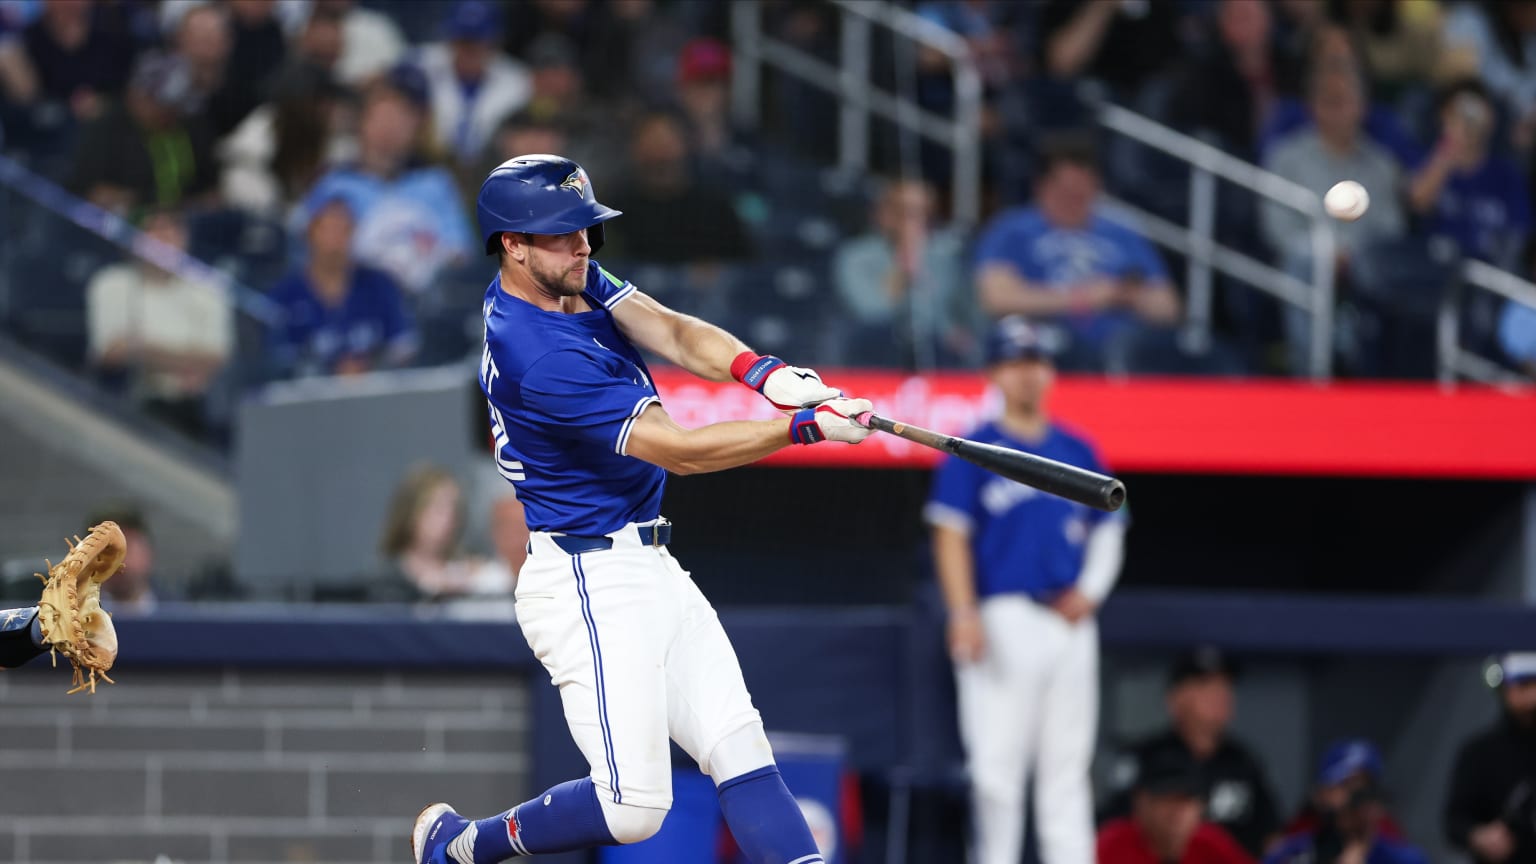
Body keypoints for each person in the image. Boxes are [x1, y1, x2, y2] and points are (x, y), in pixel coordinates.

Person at [410, 154, 871, 864]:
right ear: (512, 243)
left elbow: (674, 331)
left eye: (584, 231)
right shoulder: (535, 350)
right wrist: (801, 428)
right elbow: (677, 451)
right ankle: (464, 846)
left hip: (648, 558)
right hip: (586, 575)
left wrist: (767, 374)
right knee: (633, 811)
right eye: (563, 235)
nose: (583, 246)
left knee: (739, 747)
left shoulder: (564, 279)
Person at [924, 315, 1127, 864]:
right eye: (1014, 363)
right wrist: (962, 612)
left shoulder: (1077, 447)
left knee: (1066, 771)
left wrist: (1091, 591)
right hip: (1002, 616)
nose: (1027, 375)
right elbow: (950, 536)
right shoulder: (975, 447)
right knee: (995, 773)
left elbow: (1110, 528)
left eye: (1035, 362)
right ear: (994, 373)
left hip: (1068, 621)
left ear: (1049, 371)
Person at [974, 136, 1181, 372]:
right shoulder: (1011, 230)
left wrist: (1122, 295)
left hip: (1124, 343)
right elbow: (997, 298)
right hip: (1048, 339)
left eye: (1083, 193)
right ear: (1042, 187)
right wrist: (1082, 298)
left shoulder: (1123, 232)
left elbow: (1168, 307)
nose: (1075, 201)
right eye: (1067, 192)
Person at [1260, 65, 1406, 375]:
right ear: (1312, 107)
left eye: (1346, 101)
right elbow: (1276, 226)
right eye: (1329, 101)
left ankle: (1372, 371)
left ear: (1362, 107)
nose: (1338, 110)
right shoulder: (1287, 157)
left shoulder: (1381, 164)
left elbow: (1392, 229)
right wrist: (1328, 252)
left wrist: (1351, 254)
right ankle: (1311, 372)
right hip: (1307, 261)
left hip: (1366, 264)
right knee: (1301, 262)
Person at [299, 64, 475, 296]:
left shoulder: (436, 183)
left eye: (401, 118)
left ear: (415, 128)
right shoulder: (335, 184)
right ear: (362, 123)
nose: (390, 127)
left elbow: (460, 253)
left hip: (430, 303)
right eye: (382, 116)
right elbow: (306, 249)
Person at [1101, 647, 1281, 858]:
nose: (1220, 695)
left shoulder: (1244, 761)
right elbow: (1112, 831)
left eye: (1225, 686)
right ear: (1175, 699)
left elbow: (1272, 836)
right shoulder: (1147, 757)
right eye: (1205, 686)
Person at [86, 207, 232, 438]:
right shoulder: (112, 282)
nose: (165, 241)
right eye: (156, 231)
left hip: (188, 411)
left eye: (173, 232)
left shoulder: (207, 289)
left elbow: (215, 359)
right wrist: (186, 359)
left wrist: (142, 348)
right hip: (123, 400)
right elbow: (109, 354)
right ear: (136, 239)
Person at [269, 196, 418, 378]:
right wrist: (331, 372)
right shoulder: (285, 295)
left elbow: (404, 346)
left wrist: (370, 366)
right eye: (328, 230)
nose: (336, 240)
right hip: (311, 399)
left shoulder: (380, 284)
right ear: (310, 233)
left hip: (376, 393)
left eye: (344, 230)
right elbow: (277, 362)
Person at [833, 177, 972, 368]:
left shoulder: (944, 255)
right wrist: (903, 263)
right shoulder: (856, 257)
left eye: (925, 214)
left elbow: (956, 311)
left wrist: (955, 332)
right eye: (907, 213)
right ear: (884, 214)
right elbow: (874, 311)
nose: (918, 223)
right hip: (873, 354)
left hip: (937, 354)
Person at [68, 51, 220, 214]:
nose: (173, 115)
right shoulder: (106, 128)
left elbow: (210, 189)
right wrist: (135, 202)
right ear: (138, 96)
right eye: (167, 107)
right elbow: (84, 191)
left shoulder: (189, 125)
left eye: (178, 107)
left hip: (182, 223)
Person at [1407, 79, 1531, 269]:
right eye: (1457, 112)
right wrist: (1450, 146)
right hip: (1436, 271)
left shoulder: (1507, 174)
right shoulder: (1430, 162)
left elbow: (1518, 237)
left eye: (1475, 109)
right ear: (1443, 116)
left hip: (1488, 275)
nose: (1468, 119)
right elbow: (1417, 202)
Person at [602, 112, 752, 265]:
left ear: (687, 144)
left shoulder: (714, 206)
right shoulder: (613, 208)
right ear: (634, 146)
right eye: (652, 139)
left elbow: (741, 265)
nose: (660, 149)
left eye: (667, 140)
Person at [1266, 740, 1429, 864]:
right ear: (1322, 794)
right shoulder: (1290, 855)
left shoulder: (1406, 859)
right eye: (1346, 786)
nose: (1357, 798)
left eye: (1365, 787)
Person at [415, 0, 530, 169]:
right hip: (428, 165)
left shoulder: (517, 81)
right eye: (463, 40)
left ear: (494, 41)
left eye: (477, 41)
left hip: (494, 168)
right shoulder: (421, 65)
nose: (469, 48)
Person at [1445, 652, 1536, 864]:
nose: (1531, 695)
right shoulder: (1480, 752)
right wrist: (1478, 836)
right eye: (1522, 685)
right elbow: (1454, 821)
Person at [379, 464, 510, 604]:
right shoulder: (386, 583)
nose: (450, 518)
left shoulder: (474, 572)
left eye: (454, 508)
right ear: (411, 512)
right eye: (438, 508)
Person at [1097, 748, 1255, 864]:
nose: (1177, 812)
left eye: (1186, 801)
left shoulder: (1210, 842)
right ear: (1141, 802)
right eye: (1167, 799)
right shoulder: (1112, 844)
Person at [86, 506, 160, 616]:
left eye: (127, 547)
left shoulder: (180, 612)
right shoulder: (68, 618)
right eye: (107, 549)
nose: (117, 559)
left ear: (147, 552)